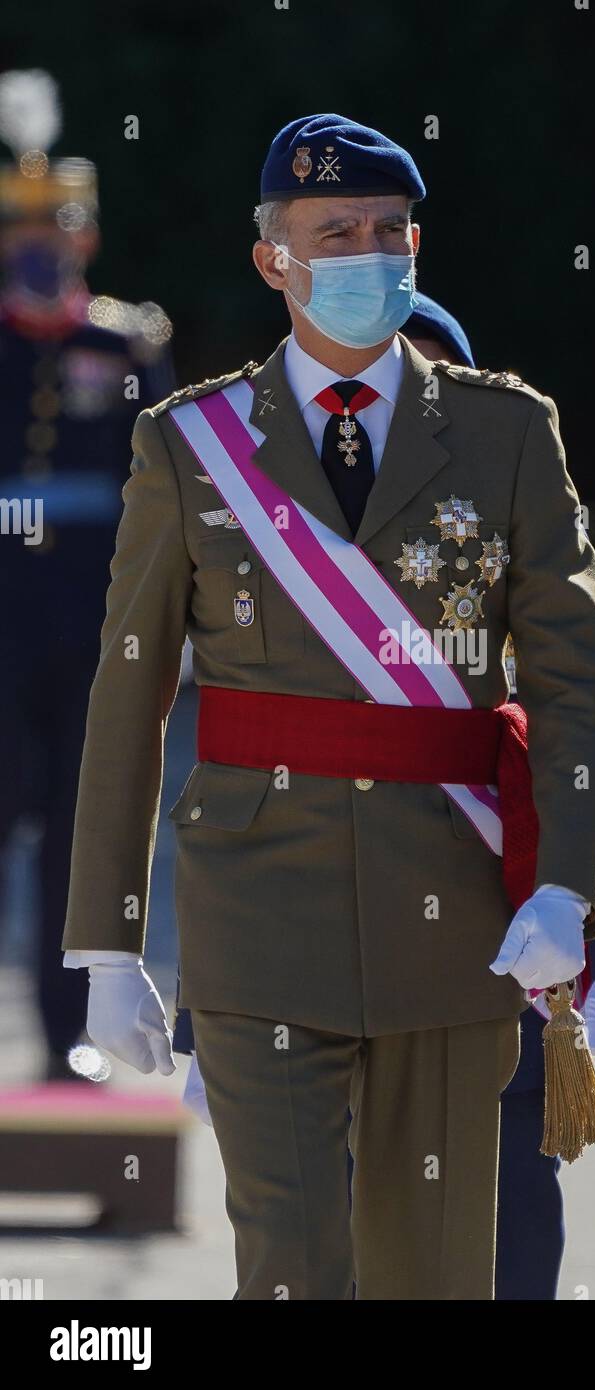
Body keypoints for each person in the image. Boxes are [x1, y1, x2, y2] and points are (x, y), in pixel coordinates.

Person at [62, 113, 595, 1300]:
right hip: (255, 910)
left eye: (389, 232)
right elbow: (128, 698)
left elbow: (577, 676)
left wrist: (562, 888)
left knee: (431, 1276)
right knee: (290, 1267)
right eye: (335, 233)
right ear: (273, 258)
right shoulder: (188, 447)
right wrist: (107, 942)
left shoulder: (505, 432)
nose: (367, 254)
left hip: (454, 916)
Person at [176, 291, 595, 1300]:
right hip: (307, 992)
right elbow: (232, 808)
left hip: (495, 986)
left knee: (499, 1256)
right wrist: (205, 1015)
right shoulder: (279, 589)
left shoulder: (528, 557)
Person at [0, 69, 173, 1081]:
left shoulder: (126, 344)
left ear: (87, 237)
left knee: (78, 834)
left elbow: (159, 501)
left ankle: (69, 1041)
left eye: (61, 226)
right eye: (24, 227)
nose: (40, 244)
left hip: (92, 630)